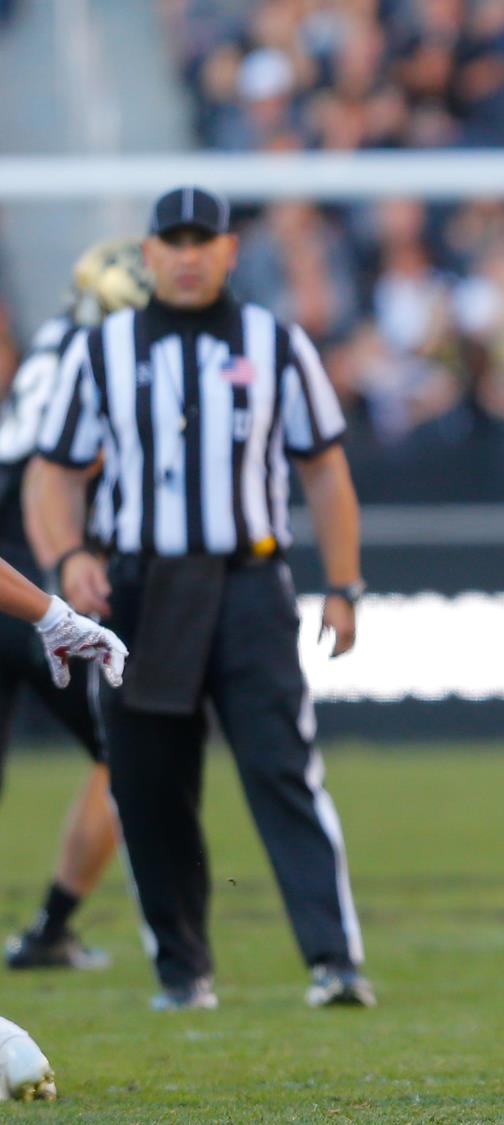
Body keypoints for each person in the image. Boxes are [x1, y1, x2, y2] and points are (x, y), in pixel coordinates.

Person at [27, 186, 370, 1013]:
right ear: (149, 253)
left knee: (282, 767)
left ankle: (335, 960)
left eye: (201, 240)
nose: (187, 256)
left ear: (228, 250)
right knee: (147, 780)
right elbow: (54, 472)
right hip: (139, 588)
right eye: (173, 241)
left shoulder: (275, 342)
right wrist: (69, 556)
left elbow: (325, 467)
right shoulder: (101, 348)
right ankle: (183, 971)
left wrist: (343, 582)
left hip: (249, 582)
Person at [3, 241, 147, 971]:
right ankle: (52, 928)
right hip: (34, 569)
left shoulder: (49, 345)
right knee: (133, 751)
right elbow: (73, 464)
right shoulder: (101, 356)